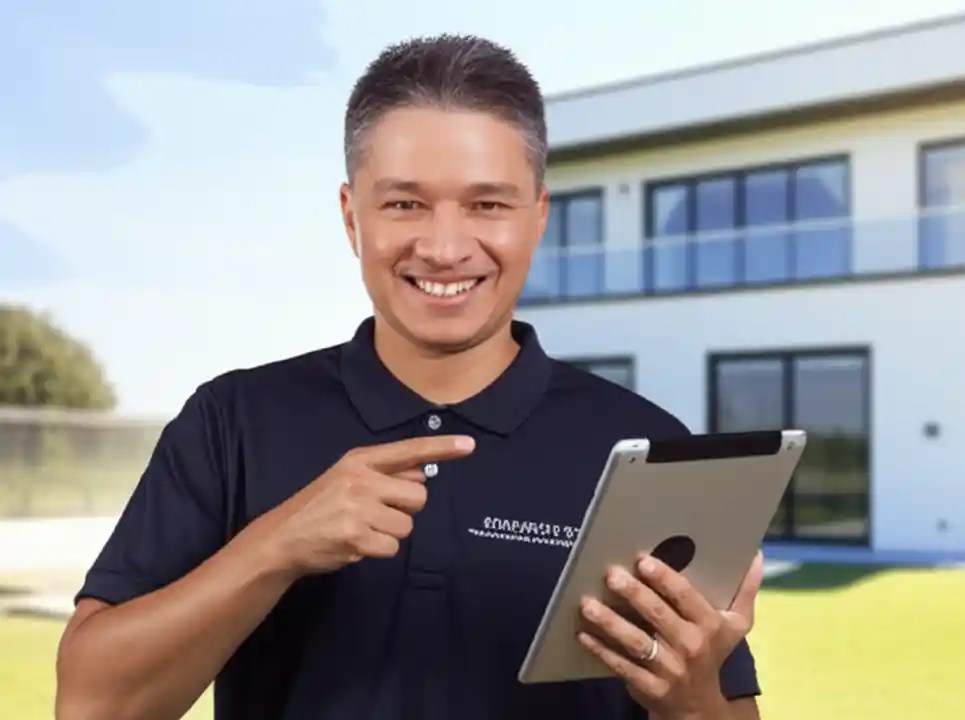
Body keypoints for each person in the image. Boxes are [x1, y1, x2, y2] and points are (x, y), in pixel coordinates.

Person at [54, 34, 764, 720]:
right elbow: (89, 706)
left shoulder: (646, 448)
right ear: (351, 217)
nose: (445, 248)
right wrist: (275, 547)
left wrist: (694, 701)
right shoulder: (231, 421)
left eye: (487, 204)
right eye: (404, 204)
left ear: (538, 216)